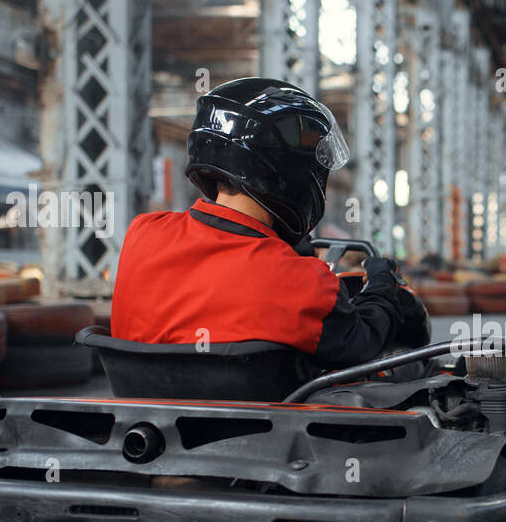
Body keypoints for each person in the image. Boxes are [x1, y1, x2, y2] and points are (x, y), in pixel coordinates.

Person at [111, 78, 405, 369]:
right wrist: (382, 286)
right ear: (289, 168)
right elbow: (361, 344)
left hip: (144, 411)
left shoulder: (142, 233)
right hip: (252, 416)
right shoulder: (302, 283)